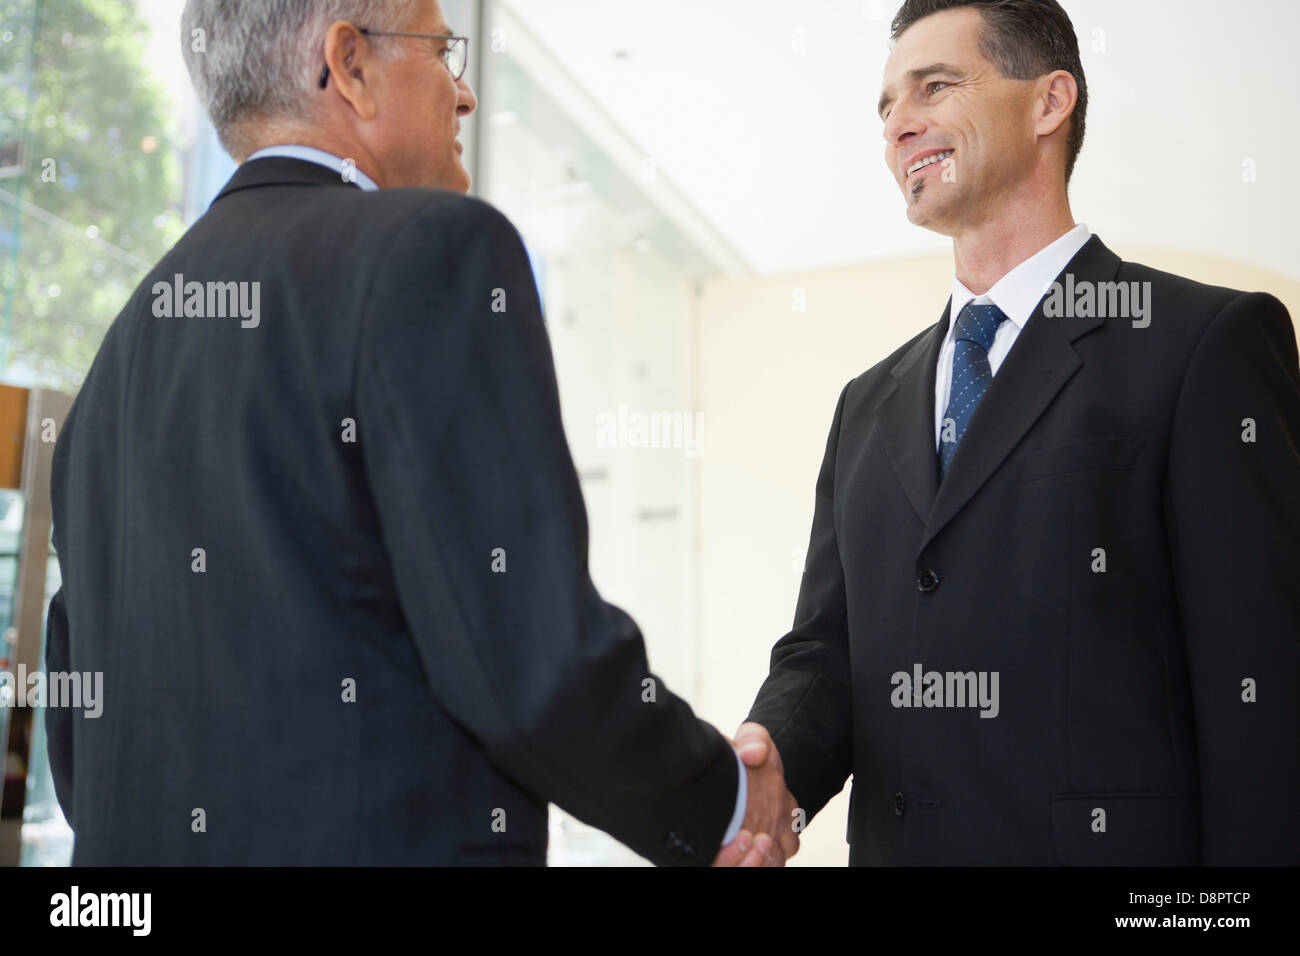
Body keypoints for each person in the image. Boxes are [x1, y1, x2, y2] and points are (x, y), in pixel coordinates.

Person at [44, 0, 796, 866]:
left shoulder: (114, 362)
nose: (466, 94)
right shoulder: (432, 252)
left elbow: (76, 734)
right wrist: (726, 802)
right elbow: (527, 661)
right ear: (350, 65)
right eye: (443, 52)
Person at [735, 0, 1300, 865]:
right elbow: (828, 656)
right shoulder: (865, 404)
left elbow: (1263, 700)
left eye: (935, 86)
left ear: (1049, 103)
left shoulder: (1203, 345)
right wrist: (764, 774)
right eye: (886, 107)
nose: (900, 126)